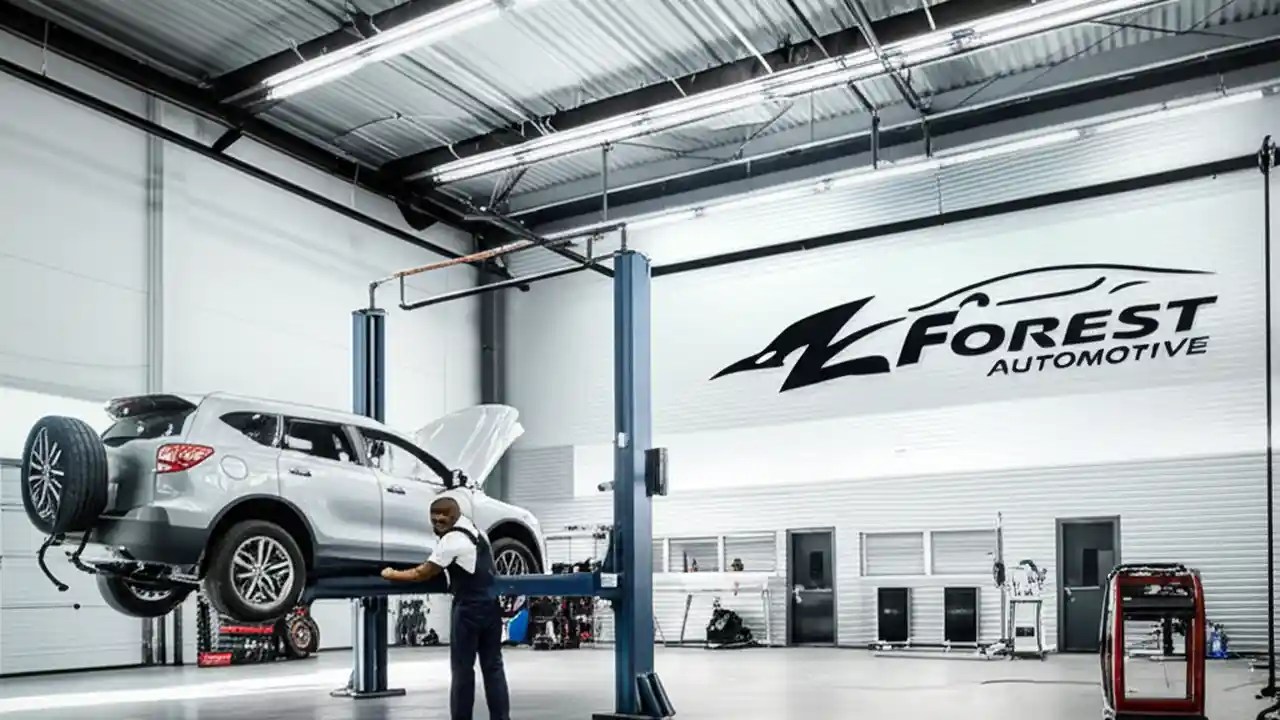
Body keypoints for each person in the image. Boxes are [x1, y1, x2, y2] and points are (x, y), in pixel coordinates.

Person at [382, 491, 511, 720]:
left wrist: (392, 573)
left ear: (454, 516)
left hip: (469, 610)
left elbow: (422, 573)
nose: (438, 526)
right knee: (493, 668)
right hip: (491, 607)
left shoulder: (452, 541)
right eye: (434, 521)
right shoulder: (478, 532)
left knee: (462, 671)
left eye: (443, 521)